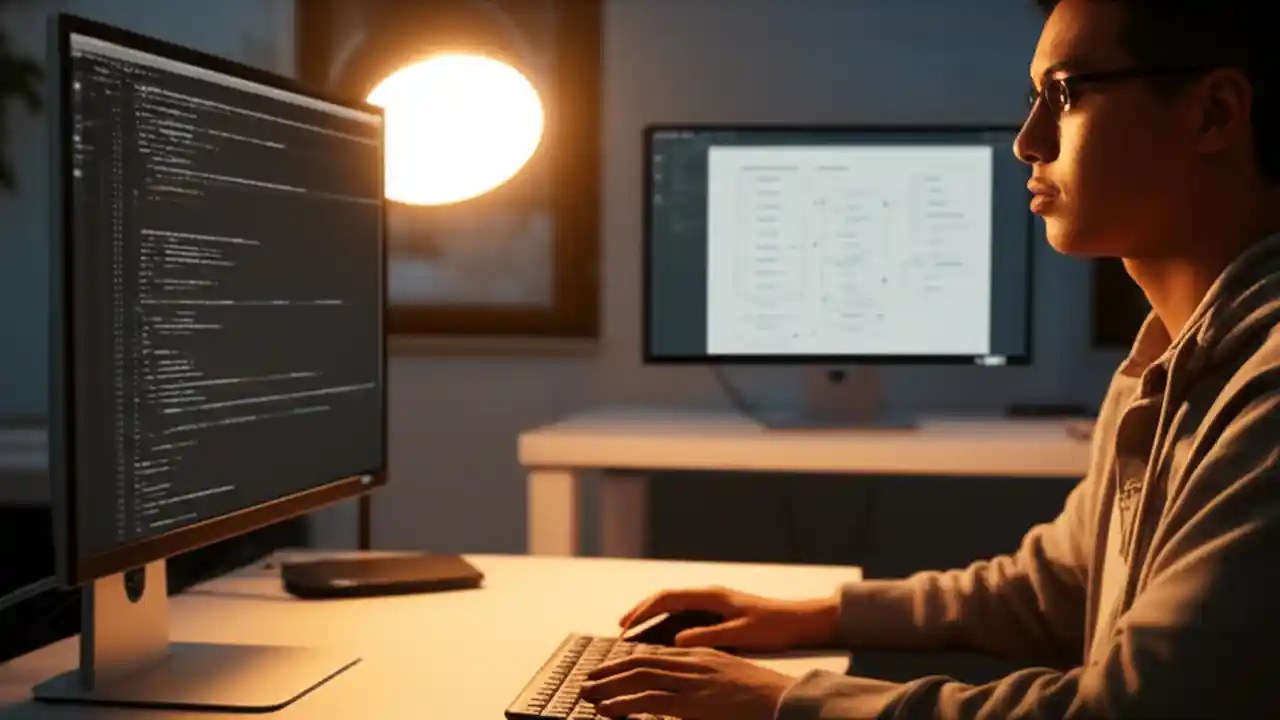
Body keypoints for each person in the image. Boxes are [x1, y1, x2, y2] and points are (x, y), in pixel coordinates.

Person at [578, 1, 1280, 717]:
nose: (1027, 141)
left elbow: (1136, 709)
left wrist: (794, 700)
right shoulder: (1169, 358)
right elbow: (1056, 588)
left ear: (1214, 113)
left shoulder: (1268, 388)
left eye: (1063, 94)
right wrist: (811, 615)